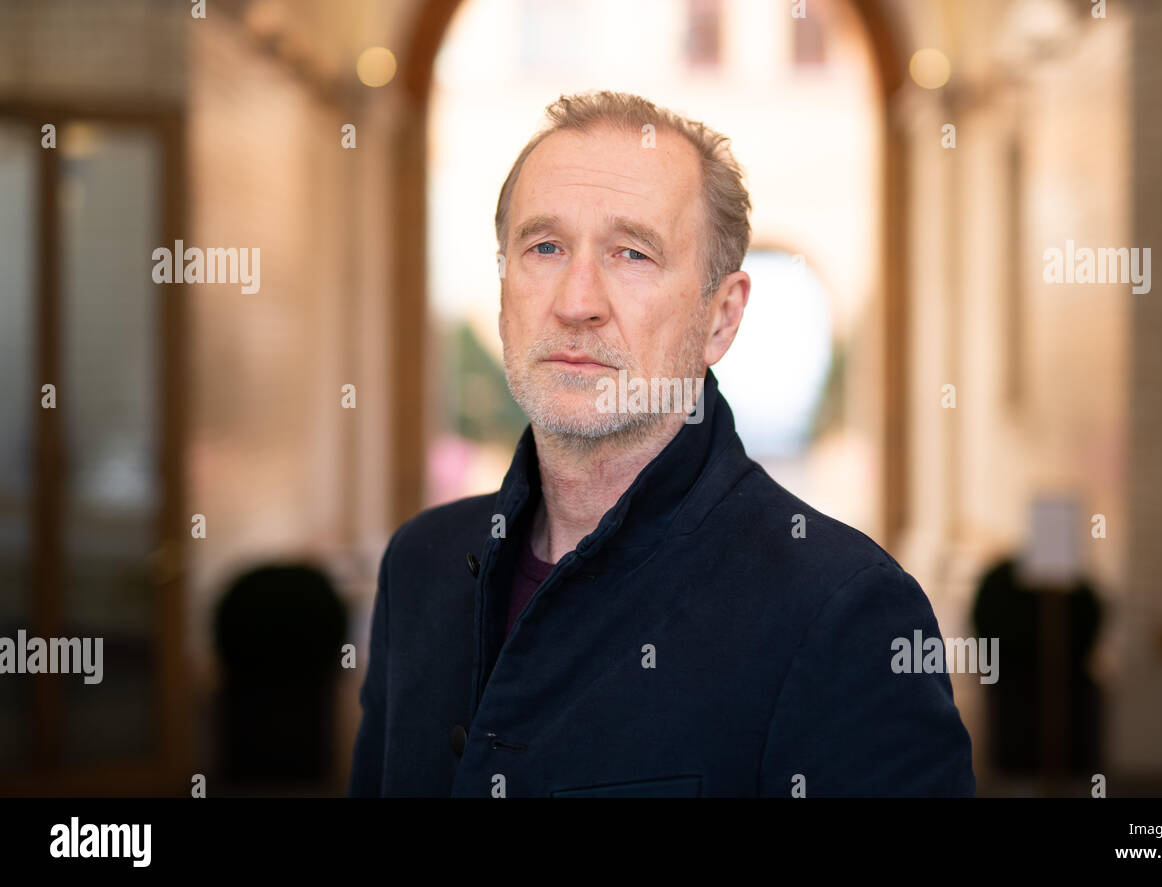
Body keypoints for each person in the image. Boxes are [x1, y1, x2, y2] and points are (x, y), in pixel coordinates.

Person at [348, 90, 975, 797]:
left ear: (722, 316)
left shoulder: (843, 613)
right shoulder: (421, 568)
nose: (576, 299)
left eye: (632, 253)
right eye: (545, 246)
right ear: (503, 289)